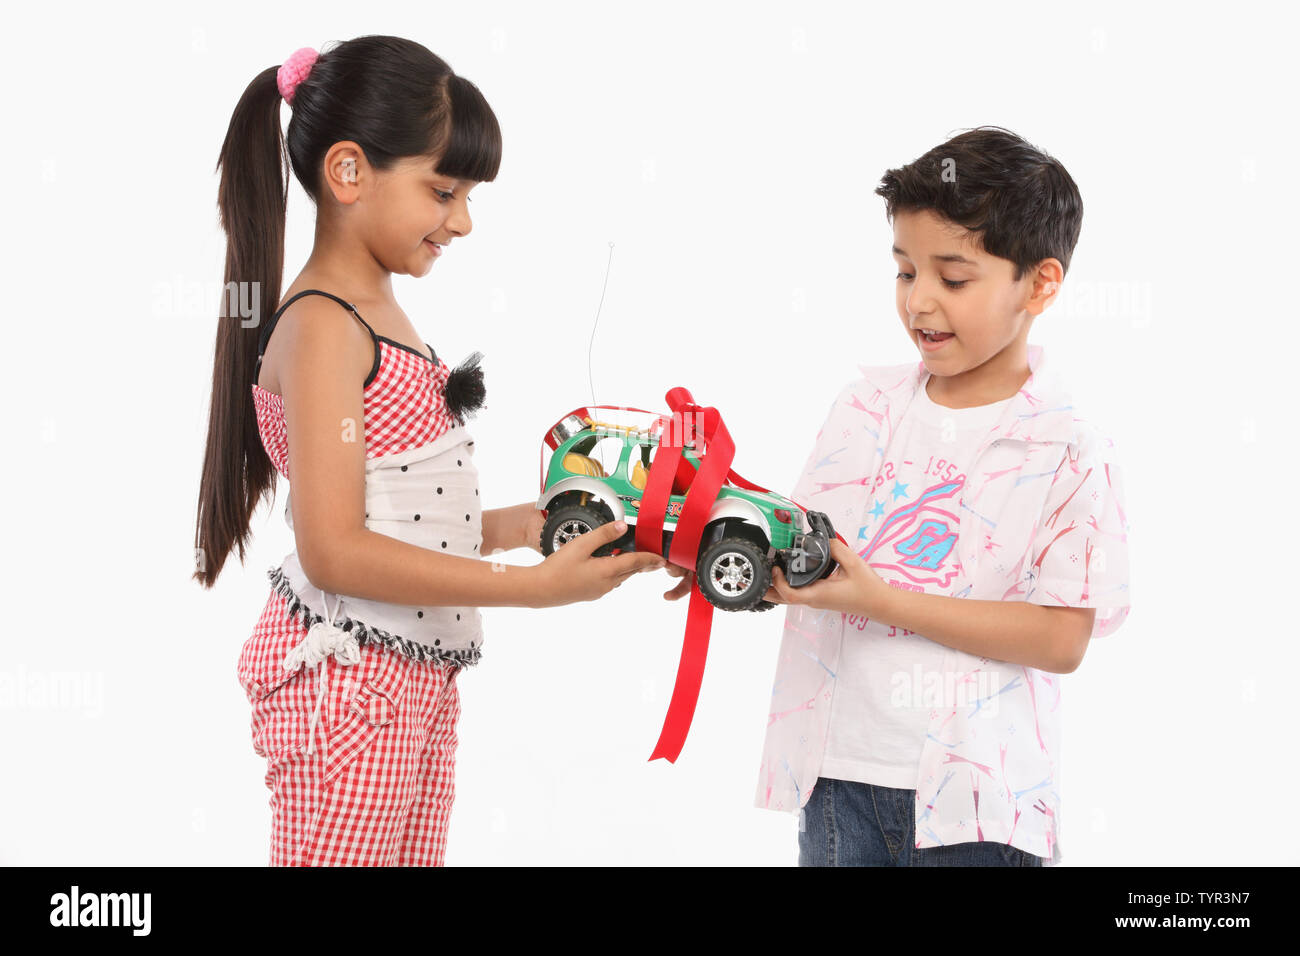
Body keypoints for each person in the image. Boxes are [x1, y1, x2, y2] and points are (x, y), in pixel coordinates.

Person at [192, 36, 666, 867]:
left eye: (470, 195)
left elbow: (398, 516)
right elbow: (336, 550)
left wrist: (527, 526)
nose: (464, 220)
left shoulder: (372, 309)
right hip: (349, 691)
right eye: (443, 191)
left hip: (406, 679)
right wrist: (531, 589)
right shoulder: (325, 328)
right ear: (348, 174)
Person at [669, 126, 1133, 865]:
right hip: (837, 783)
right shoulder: (863, 407)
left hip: (980, 808)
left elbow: (1061, 639)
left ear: (1041, 283)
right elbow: (812, 556)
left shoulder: (1068, 448)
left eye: (952, 279)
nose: (918, 301)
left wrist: (883, 601)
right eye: (903, 271)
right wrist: (728, 556)